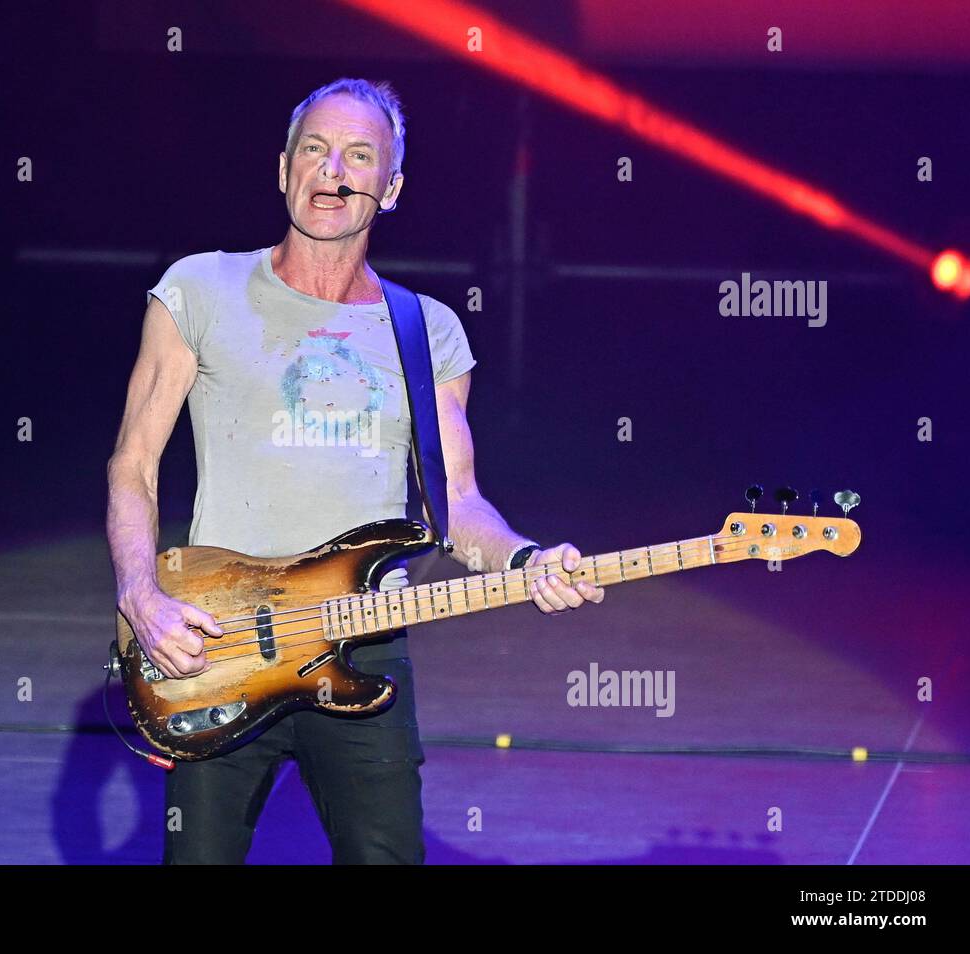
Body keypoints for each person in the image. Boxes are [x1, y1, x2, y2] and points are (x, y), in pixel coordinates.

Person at [106, 77, 605, 864]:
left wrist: (524, 559)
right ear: (284, 169)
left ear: (392, 188)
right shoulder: (198, 289)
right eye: (315, 148)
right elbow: (133, 463)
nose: (332, 170)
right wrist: (139, 594)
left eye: (359, 155)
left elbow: (457, 501)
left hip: (363, 645)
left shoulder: (426, 331)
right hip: (220, 642)